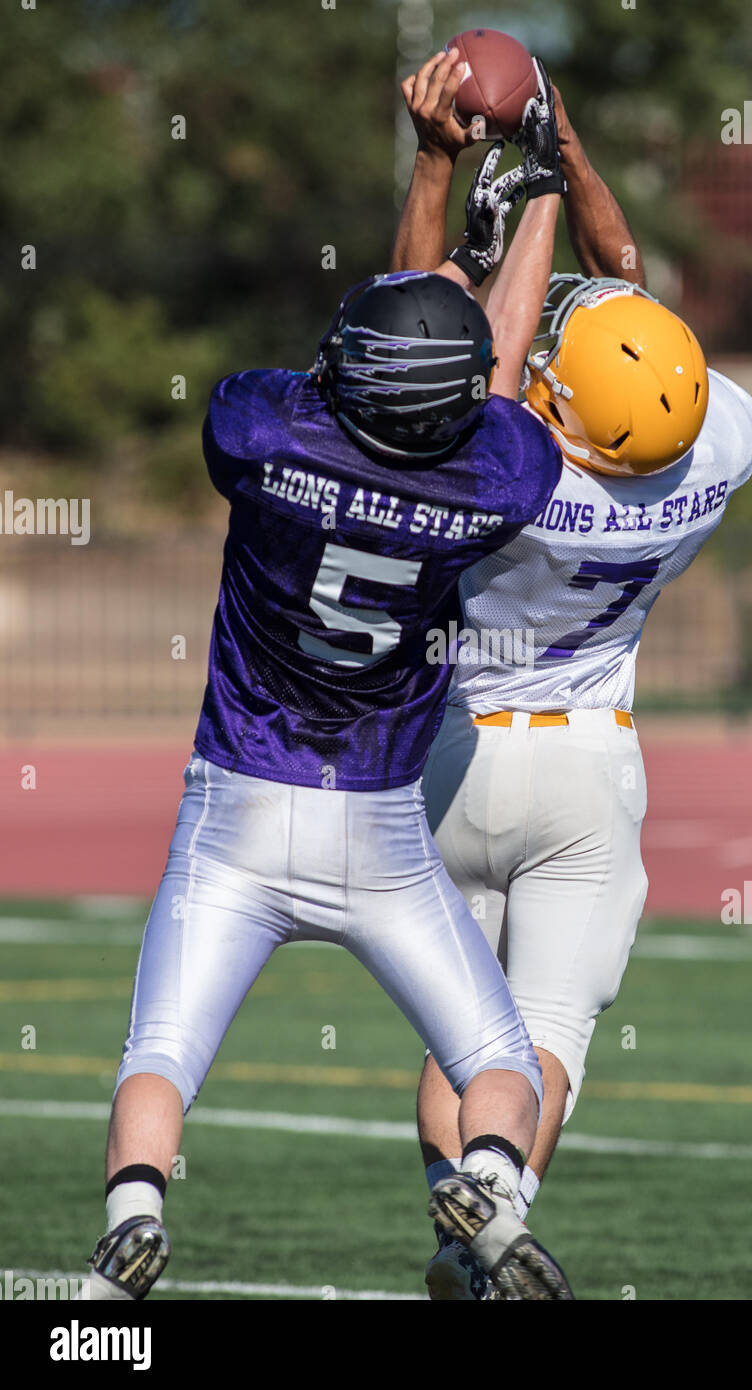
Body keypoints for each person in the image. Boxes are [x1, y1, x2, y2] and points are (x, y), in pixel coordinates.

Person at [82, 77, 576, 1302]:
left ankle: (132, 1217)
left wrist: (426, 178)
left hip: (236, 808)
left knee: (161, 1053)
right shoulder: (492, 482)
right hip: (382, 828)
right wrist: (535, 205)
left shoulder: (263, 434)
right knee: (496, 1059)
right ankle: (496, 1192)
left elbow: (342, 365)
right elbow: (495, 374)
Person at [392, 50, 752, 1299]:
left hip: (451, 756)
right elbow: (635, 293)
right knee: (548, 1033)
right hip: (588, 769)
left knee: (458, 1028)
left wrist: (466, 172)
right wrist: (567, 151)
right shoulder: (713, 446)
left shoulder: (513, 472)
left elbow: (461, 350)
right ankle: (496, 1209)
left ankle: (459, 1232)